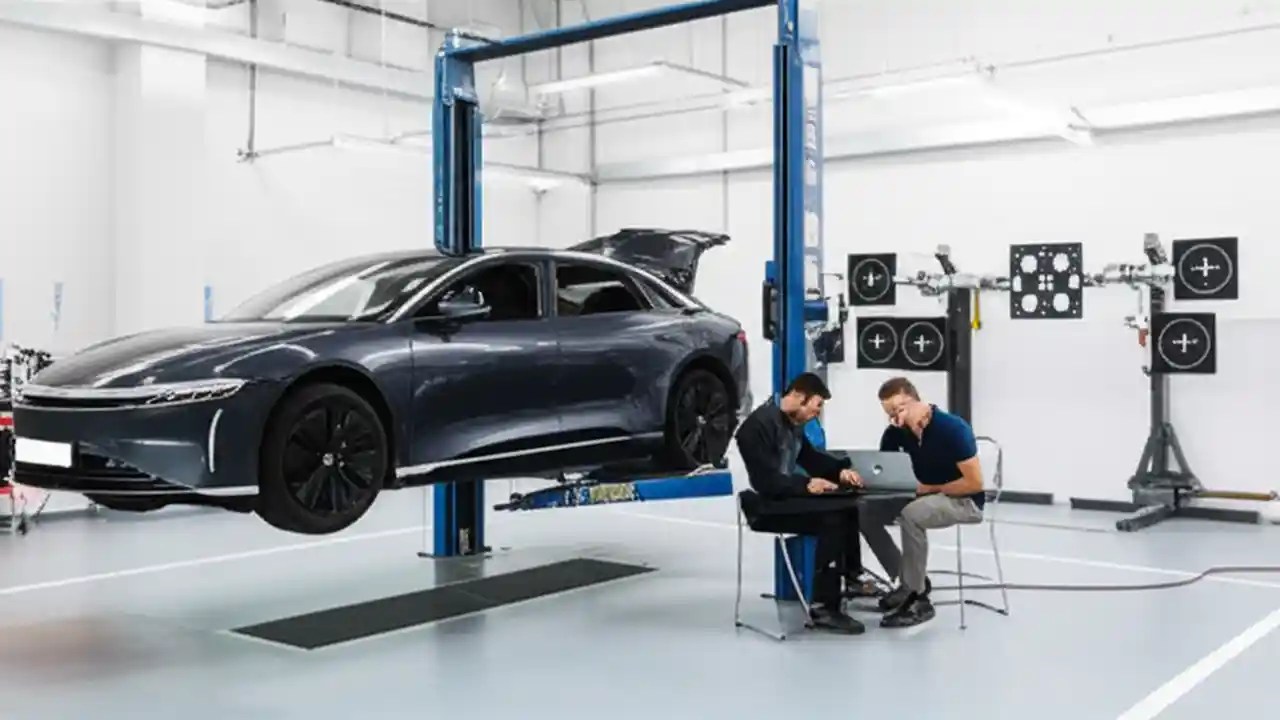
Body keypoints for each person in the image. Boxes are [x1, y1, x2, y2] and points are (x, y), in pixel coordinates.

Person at [733, 372, 867, 634]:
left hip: (783, 496)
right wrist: (806, 485)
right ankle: (823, 608)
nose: (816, 414)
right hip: (762, 505)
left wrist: (840, 472)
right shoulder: (755, 428)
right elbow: (765, 481)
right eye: (816, 406)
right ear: (797, 396)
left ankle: (851, 579)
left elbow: (811, 459)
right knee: (833, 519)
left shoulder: (791, 426)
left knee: (848, 506)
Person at [865, 376, 986, 629]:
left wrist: (931, 489)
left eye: (899, 410)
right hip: (920, 496)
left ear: (916, 400)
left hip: (963, 500)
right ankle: (908, 580)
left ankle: (918, 599)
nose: (896, 419)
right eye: (890, 414)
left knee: (912, 514)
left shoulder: (953, 429)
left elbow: (975, 484)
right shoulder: (896, 433)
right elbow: (888, 471)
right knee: (864, 511)